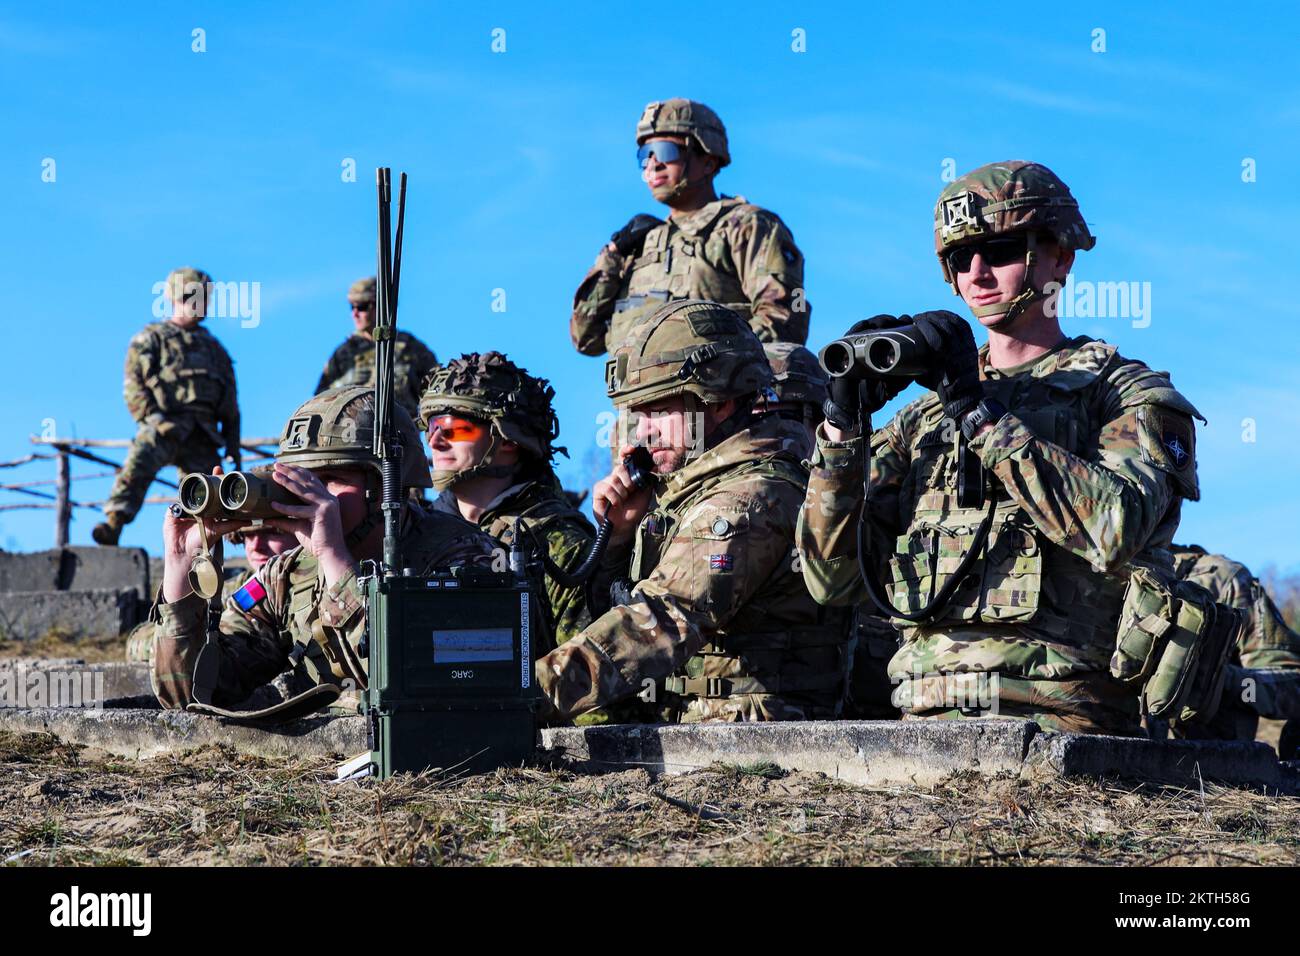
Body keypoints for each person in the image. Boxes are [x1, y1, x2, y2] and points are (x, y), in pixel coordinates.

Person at [799, 160, 1203, 736]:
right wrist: (843, 430)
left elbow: (1116, 526)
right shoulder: (922, 419)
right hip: (924, 718)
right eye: (961, 259)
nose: (978, 274)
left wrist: (982, 419)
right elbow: (831, 580)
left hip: (1062, 714)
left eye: (1003, 250)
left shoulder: (1120, 393)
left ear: (1061, 256)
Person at [537, 299, 849, 724]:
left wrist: (526, 695)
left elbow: (659, 622)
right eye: (636, 414)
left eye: (658, 411)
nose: (643, 431)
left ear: (718, 399)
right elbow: (617, 607)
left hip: (752, 744)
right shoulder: (692, 492)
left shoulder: (751, 498)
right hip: (710, 731)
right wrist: (620, 537)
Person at [149, 385, 494, 713]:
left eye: (330, 478)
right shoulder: (286, 577)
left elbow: (427, 686)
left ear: (384, 485)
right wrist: (181, 571)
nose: (310, 494)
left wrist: (334, 559)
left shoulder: (462, 558)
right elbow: (192, 697)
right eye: (299, 478)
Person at [570, 98, 810, 362]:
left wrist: (711, 364)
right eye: (645, 155)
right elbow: (585, 338)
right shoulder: (638, 244)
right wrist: (612, 256)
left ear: (708, 161)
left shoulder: (745, 226)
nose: (653, 164)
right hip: (636, 402)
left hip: (720, 399)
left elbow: (784, 319)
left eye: (665, 152)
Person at [418, 351, 598, 648]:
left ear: (509, 442)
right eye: (432, 427)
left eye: (453, 428)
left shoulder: (559, 546)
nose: (436, 441)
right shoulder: (414, 535)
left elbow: (587, 675)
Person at [93, 268, 240, 546]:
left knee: (209, 491)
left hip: (203, 434)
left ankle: (215, 537)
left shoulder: (215, 350)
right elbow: (134, 384)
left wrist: (232, 448)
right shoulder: (151, 339)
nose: (198, 304)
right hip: (163, 425)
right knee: (138, 463)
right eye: (191, 297)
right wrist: (152, 417)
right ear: (174, 298)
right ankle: (114, 522)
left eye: (204, 298)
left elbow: (231, 406)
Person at [1169, 544, 1300, 754]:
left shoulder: (1223, 581)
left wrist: (1220, 679)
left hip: (1206, 768)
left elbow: (1293, 686)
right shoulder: (1101, 577)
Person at [315, 277, 438, 418]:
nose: (354, 314)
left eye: (361, 307)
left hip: (400, 435)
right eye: (352, 307)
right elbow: (319, 404)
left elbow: (436, 395)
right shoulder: (343, 353)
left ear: (380, 306)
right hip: (351, 435)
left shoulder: (411, 349)